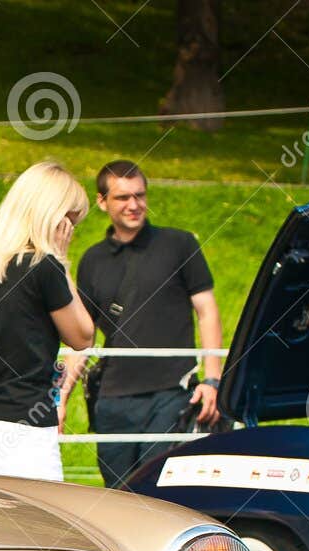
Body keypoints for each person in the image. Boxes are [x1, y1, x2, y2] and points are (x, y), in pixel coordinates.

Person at [69, 160, 223, 488]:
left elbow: (207, 311)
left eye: (140, 195)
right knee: (118, 496)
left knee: (162, 494)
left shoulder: (179, 244)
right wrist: (60, 397)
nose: (134, 205)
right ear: (102, 201)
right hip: (112, 399)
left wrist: (213, 379)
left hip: (171, 392)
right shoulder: (92, 260)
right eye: (123, 197)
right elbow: (82, 336)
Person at [0, 162, 95, 481]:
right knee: (44, 528)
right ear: (52, 217)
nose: (72, 232)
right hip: (24, 432)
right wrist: (62, 262)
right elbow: (82, 336)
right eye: (71, 222)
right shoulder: (45, 267)